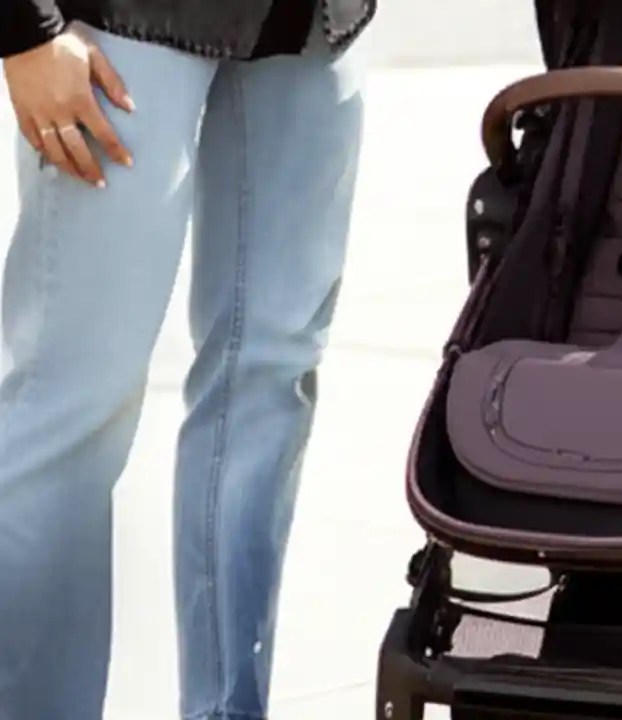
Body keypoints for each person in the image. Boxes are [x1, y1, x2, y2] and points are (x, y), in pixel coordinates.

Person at [0, 0, 373, 717]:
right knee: (72, 403)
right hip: (125, 26)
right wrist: (26, 31)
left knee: (270, 379)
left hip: (312, 28)